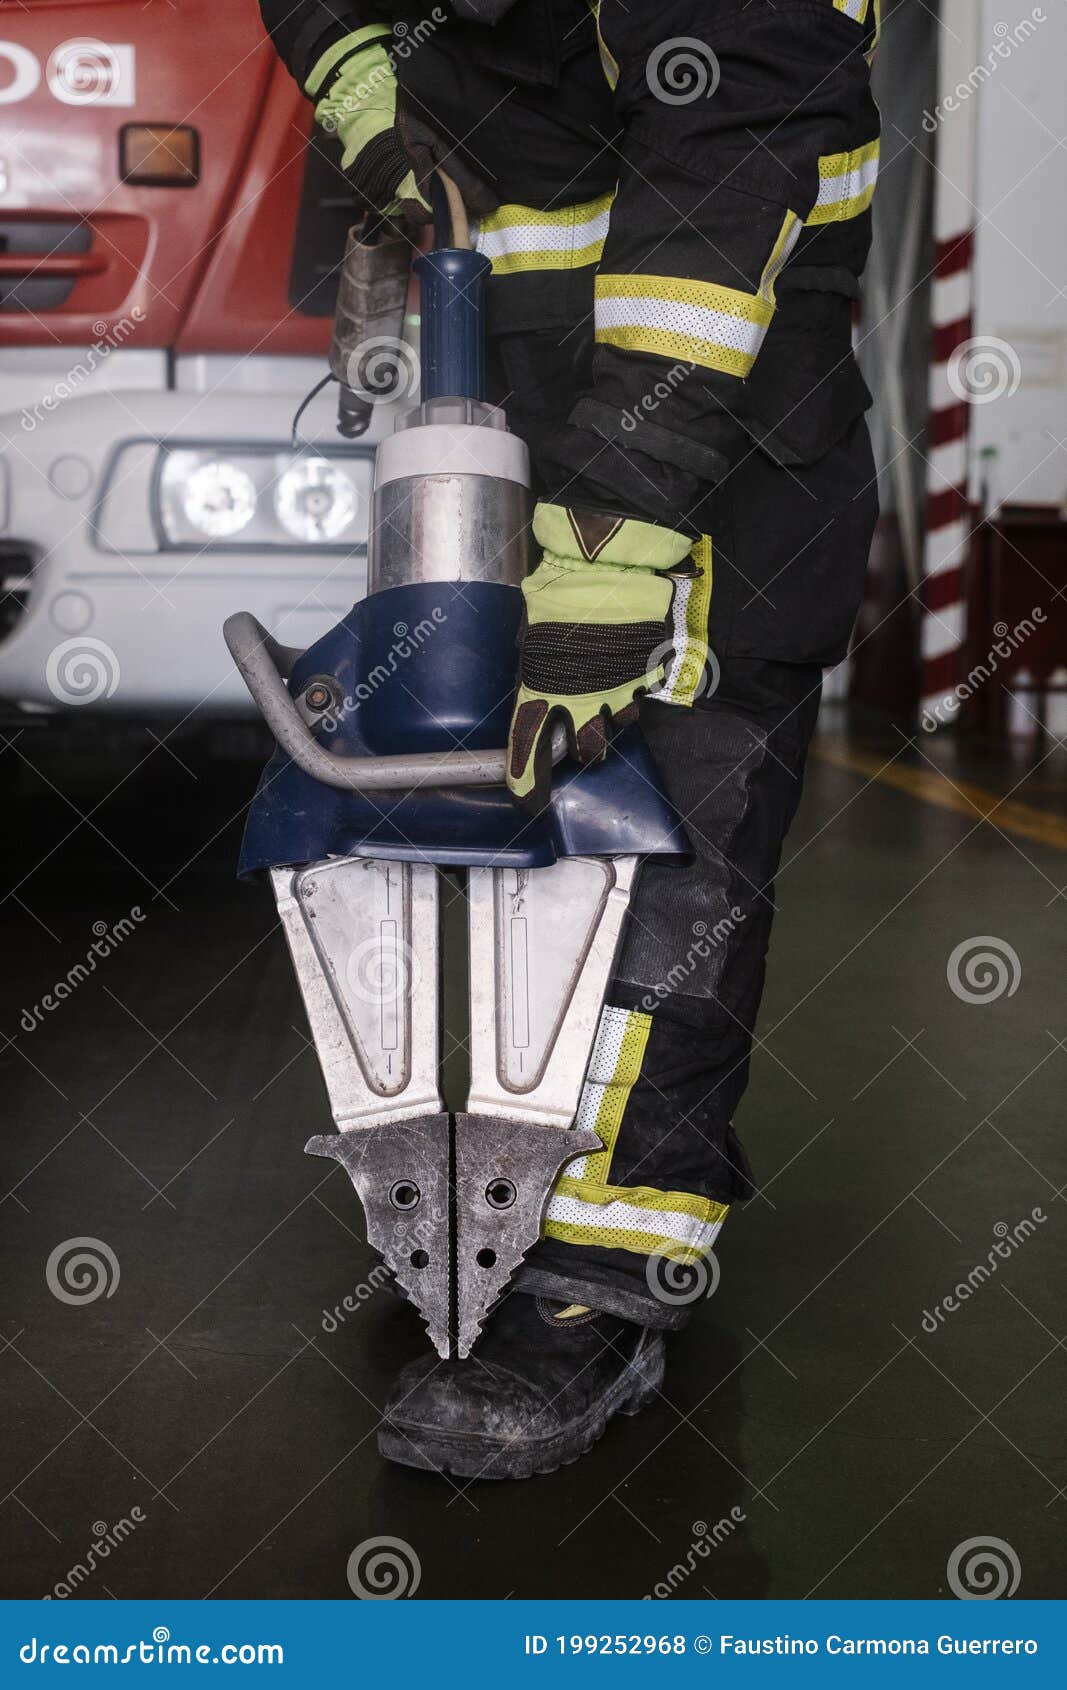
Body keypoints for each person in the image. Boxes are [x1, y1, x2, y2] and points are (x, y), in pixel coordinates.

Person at [258, 0, 881, 1480]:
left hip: (712, 398)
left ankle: (606, 1264)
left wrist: (619, 526)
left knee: (674, 809)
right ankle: (481, 1193)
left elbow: (745, 136)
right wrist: (356, 66)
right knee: (481, 791)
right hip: (499, 375)